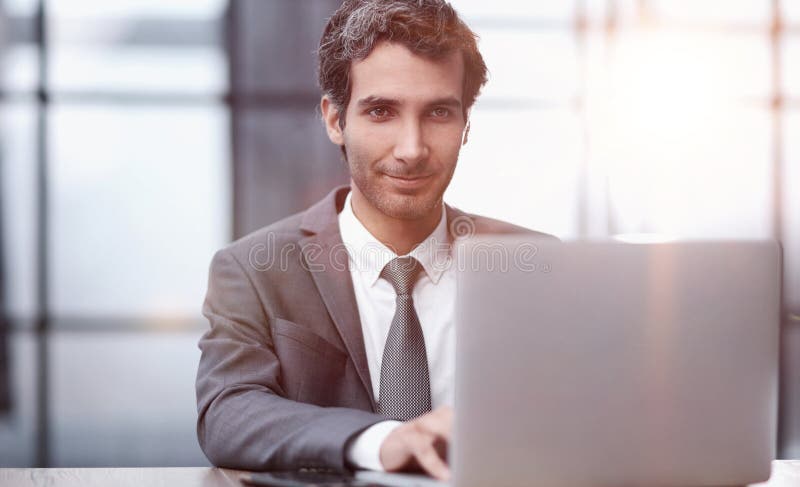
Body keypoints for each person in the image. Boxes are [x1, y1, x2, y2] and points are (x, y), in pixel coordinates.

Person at [195, 0, 553, 480]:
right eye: (382, 111)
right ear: (335, 120)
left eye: (439, 113)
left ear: (466, 124)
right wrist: (380, 440)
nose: (412, 149)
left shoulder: (541, 265)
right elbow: (228, 413)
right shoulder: (253, 269)